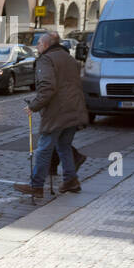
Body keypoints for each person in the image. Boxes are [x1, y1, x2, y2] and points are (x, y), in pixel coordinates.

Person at [14, 31, 87, 197]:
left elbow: (48, 87)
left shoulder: (46, 59)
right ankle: (71, 180)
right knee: (63, 146)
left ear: (46, 45)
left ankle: (36, 185)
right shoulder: (70, 59)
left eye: (39, 43)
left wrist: (34, 106)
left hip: (57, 112)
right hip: (74, 110)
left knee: (44, 148)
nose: (37, 46)